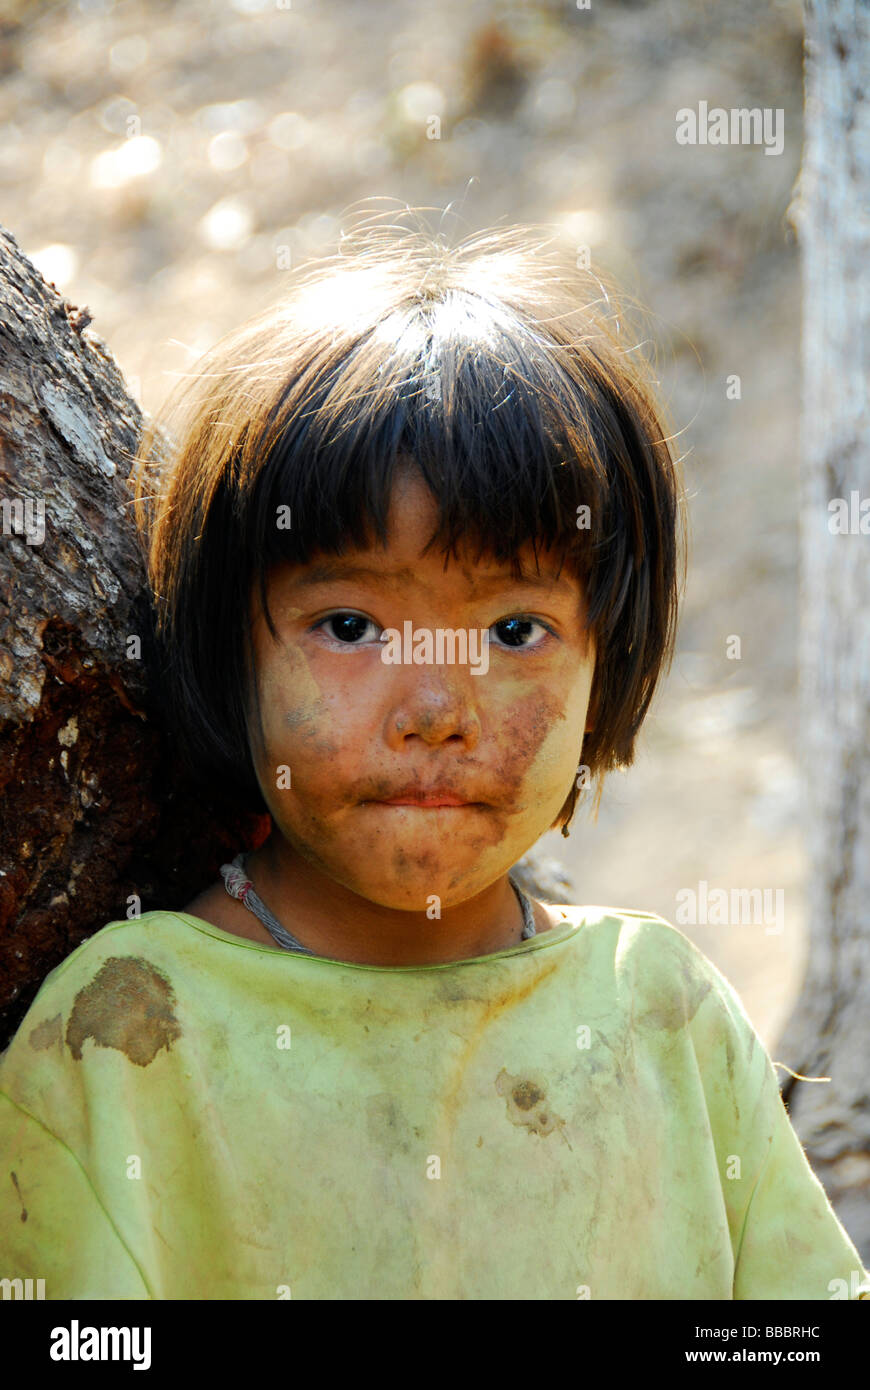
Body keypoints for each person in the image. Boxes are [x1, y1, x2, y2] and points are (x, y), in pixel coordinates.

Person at [1, 209, 866, 1299]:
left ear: (611, 668)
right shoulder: (125, 1035)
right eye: (351, 626)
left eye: (515, 631)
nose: (437, 708)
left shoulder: (664, 1013)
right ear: (227, 648)